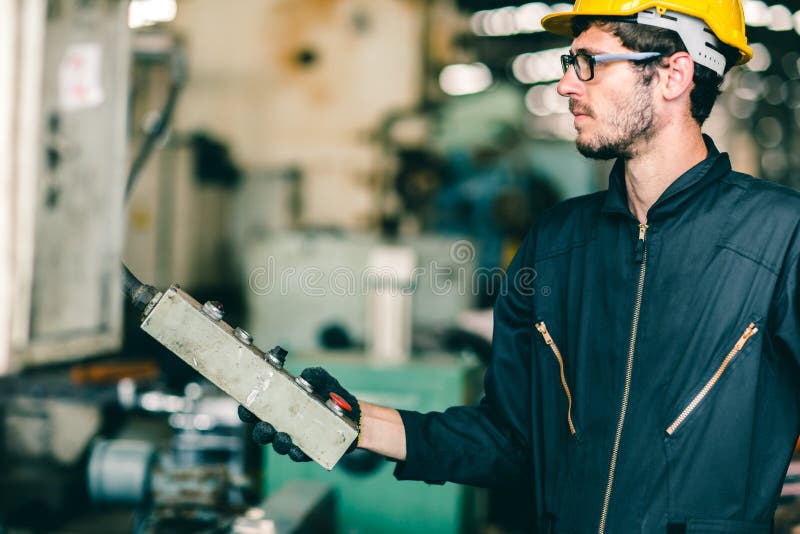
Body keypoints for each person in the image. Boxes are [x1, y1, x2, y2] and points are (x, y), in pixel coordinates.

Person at [239, 1, 800, 531]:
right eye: (567, 63)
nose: (564, 85)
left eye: (588, 64)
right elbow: (512, 440)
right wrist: (355, 422)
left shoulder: (780, 237)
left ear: (674, 75)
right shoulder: (556, 243)